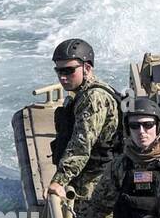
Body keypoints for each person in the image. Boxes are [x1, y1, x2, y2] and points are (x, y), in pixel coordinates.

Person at [45, 38, 122, 208]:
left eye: (69, 70)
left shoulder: (93, 98)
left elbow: (81, 145)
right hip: (87, 175)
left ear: (87, 68)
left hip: (96, 182)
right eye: (59, 71)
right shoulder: (80, 93)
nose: (63, 77)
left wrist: (59, 181)